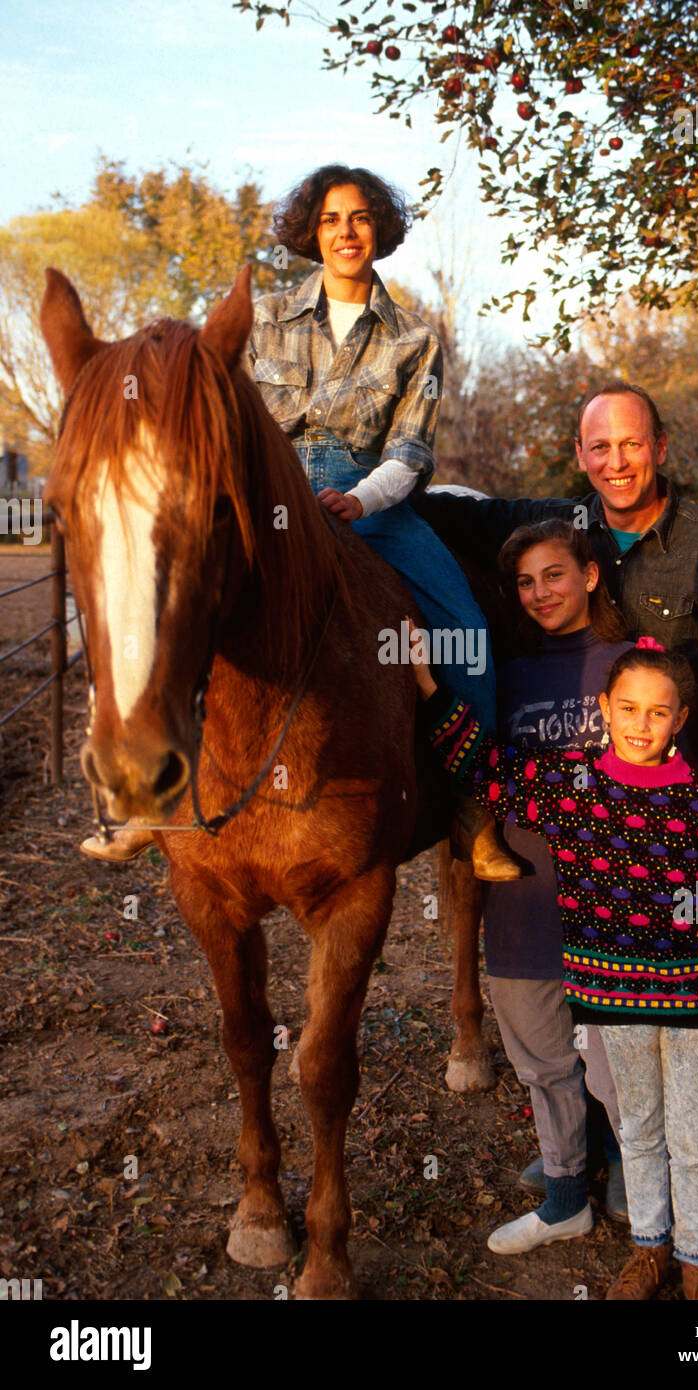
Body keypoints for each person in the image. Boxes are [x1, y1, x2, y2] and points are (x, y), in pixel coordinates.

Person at [81, 164, 518, 881]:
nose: (345, 232)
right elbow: (227, 420)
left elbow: (410, 447)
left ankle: (474, 805)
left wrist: (363, 500)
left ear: (380, 227)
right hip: (268, 494)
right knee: (164, 602)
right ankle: (143, 798)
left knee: (465, 629)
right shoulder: (266, 317)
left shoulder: (415, 337)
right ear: (311, 234)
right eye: (329, 220)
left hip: (372, 501)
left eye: (359, 217)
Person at [413, 640, 698, 1300]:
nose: (640, 724)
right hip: (611, 996)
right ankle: (648, 1250)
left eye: (657, 713)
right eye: (627, 708)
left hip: (693, 999)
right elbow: (484, 769)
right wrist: (431, 690)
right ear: (603, 707)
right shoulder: (572, 785)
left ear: (680, 719)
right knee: (636, 1130)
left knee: (692, 1137)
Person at [411, 381, 698, 834]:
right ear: (581, 455)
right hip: (563, 812)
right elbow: (458, 514)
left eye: (631, 445)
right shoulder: (556, 530)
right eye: (600, 447)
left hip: (666, 806)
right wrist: (362, 493)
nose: (615, 463)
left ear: (659, 448)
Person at [479, 518, 633, 1252]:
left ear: (590, 576)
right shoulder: (505, 674)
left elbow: (663, 783)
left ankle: (630, 1166)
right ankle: (566, 1196)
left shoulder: (633, 664)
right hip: (524, 894)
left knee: (615, 1058)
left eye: (554, 575)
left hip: (611, 898)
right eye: (525, 582)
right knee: (542, 1056)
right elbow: (479, 771)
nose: (539, 593)